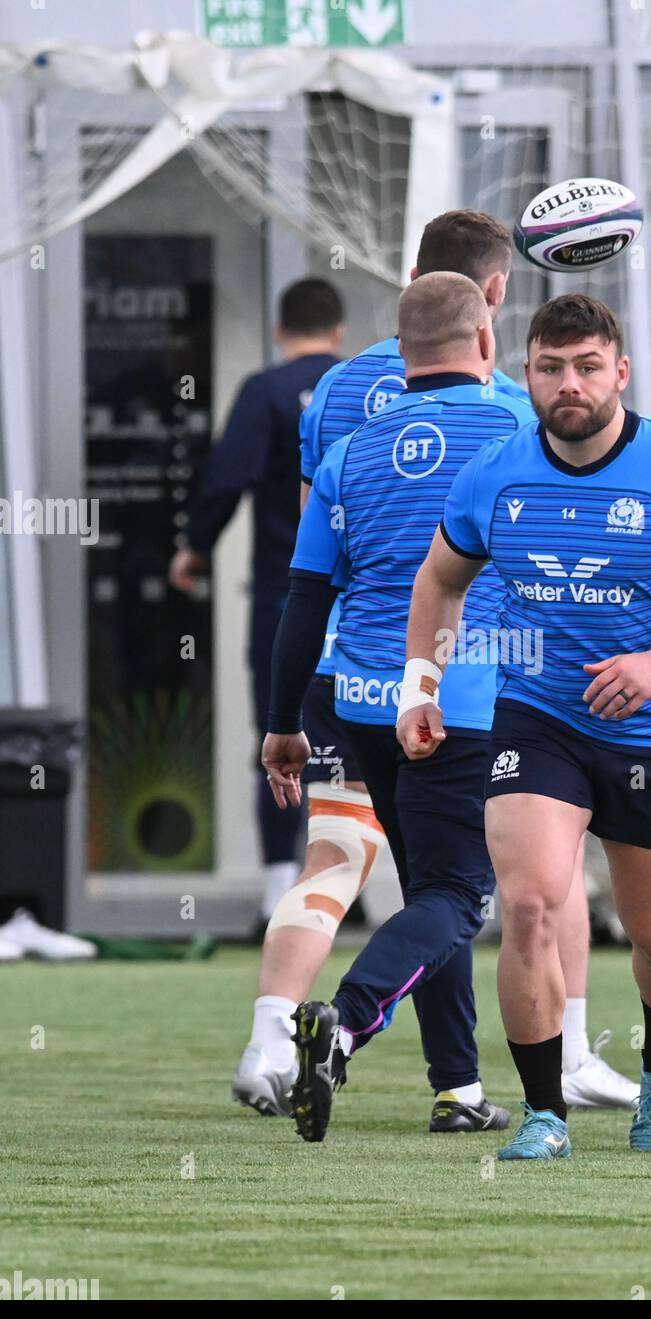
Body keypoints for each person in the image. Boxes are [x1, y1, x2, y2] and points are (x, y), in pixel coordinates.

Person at [241, 209, 638, 1131]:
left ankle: (458, 1090)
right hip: (470, 695)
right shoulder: (516, 430)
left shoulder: (348, 448)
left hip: (358, 697)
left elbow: (304, 597)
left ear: (397, 346)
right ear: (491, 335)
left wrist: (283, 721)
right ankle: (340, 1024)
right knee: (462, 897)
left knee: (428, 889)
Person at [397, 293, 651, 1161]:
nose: (569, 384)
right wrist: (420, 686)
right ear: (524, 373)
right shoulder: (494, 471)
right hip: (537, 720)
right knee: (528, 903)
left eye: (587, 367)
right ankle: (543, 1114)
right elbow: (440, 580)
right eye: (550, 367)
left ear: (620, 373)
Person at [169, 278, 346, 941]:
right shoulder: (366, 386)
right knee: (362, 735)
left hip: (287, 592)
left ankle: (281, 892)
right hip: (371, 600)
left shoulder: (266, 392)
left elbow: (228, 477)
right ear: (338, 332)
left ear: (280, 331)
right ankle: (351, 879)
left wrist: (194, 547)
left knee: (281, 732)